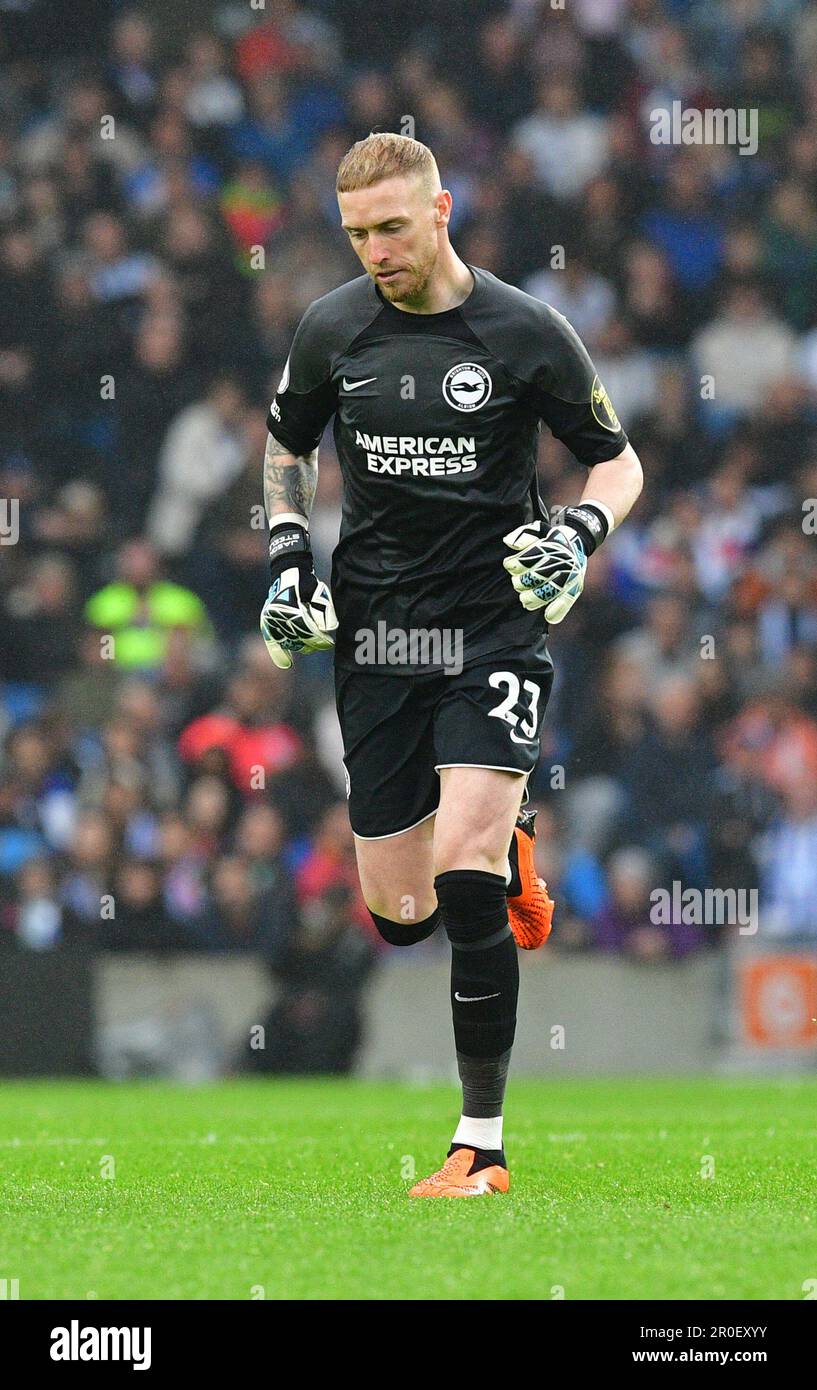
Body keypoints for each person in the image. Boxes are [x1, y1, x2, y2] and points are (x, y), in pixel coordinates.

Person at [259, 133, 643, 1198]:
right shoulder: (333, 327)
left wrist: (576, 535)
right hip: (379, 638)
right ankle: (506, 851)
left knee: (464, 874)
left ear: (441, 210)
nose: (373, 249)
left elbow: (617, 461)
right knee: (398, 913)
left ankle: (481, 1144)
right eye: (355, 233)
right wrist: (290, 556)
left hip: (491, 631)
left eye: (390, 226)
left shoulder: (525, 332)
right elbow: (285, 443)